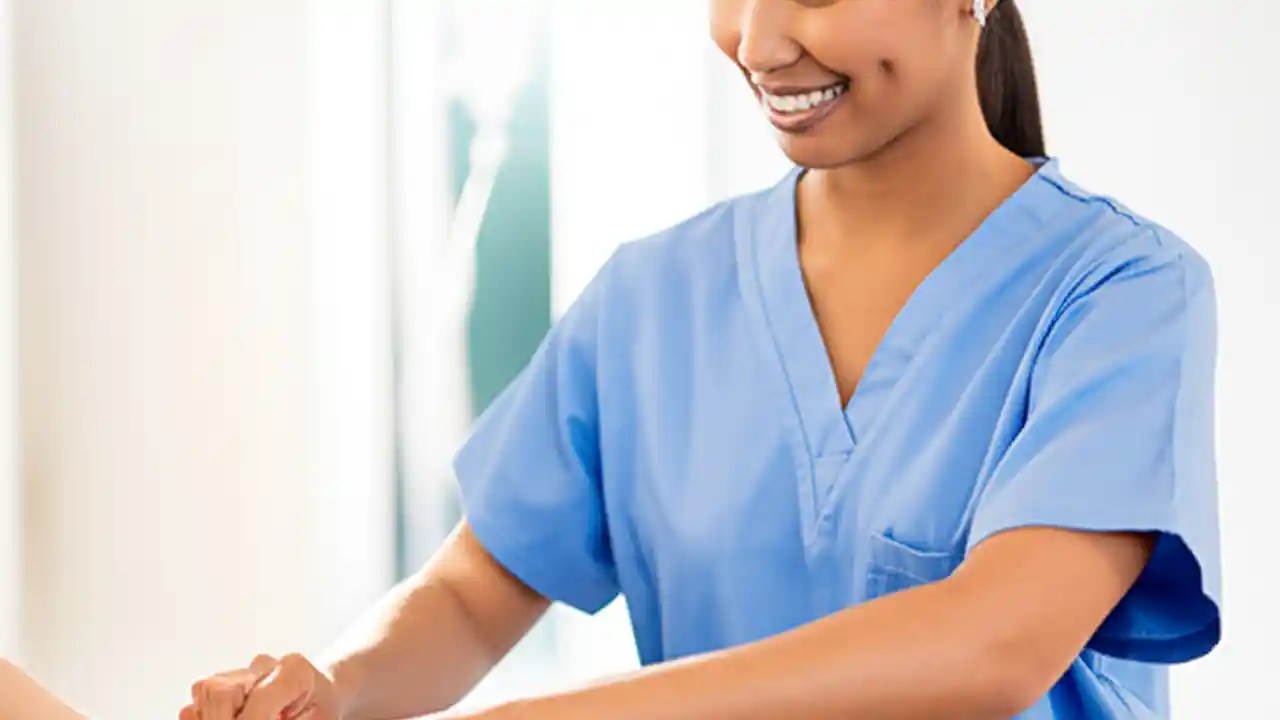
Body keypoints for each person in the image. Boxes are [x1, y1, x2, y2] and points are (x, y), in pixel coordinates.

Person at [181, 1, 1222, 718]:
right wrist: (334, 686)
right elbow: (471, 592)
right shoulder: (654, 296)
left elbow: (992, 644)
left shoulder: (1116, 292)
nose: (758, 42)